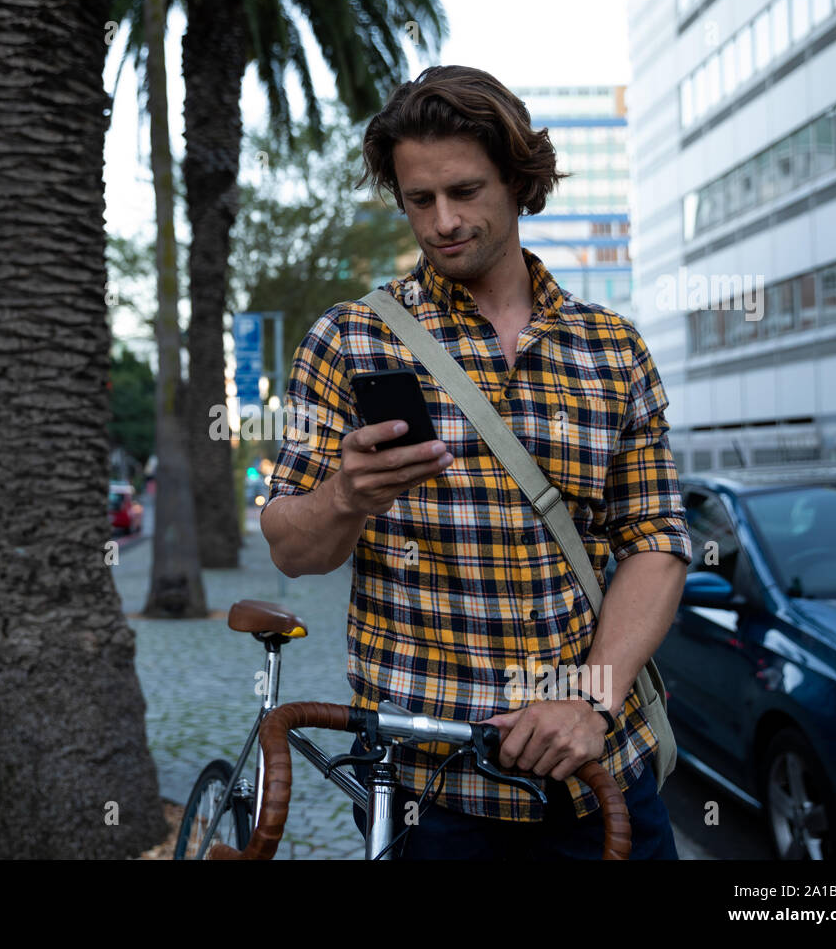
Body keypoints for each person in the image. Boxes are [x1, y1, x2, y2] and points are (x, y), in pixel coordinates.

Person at [260, 66, 693, 859]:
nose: (443, 221)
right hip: (435, 792)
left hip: (599, 774)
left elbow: (657, 542)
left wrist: (590, 702)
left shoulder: (612, 347)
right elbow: (295, 548)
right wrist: (346, 496)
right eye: (419, 200)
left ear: (521, 182)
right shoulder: (349, 339)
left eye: (465, 191)